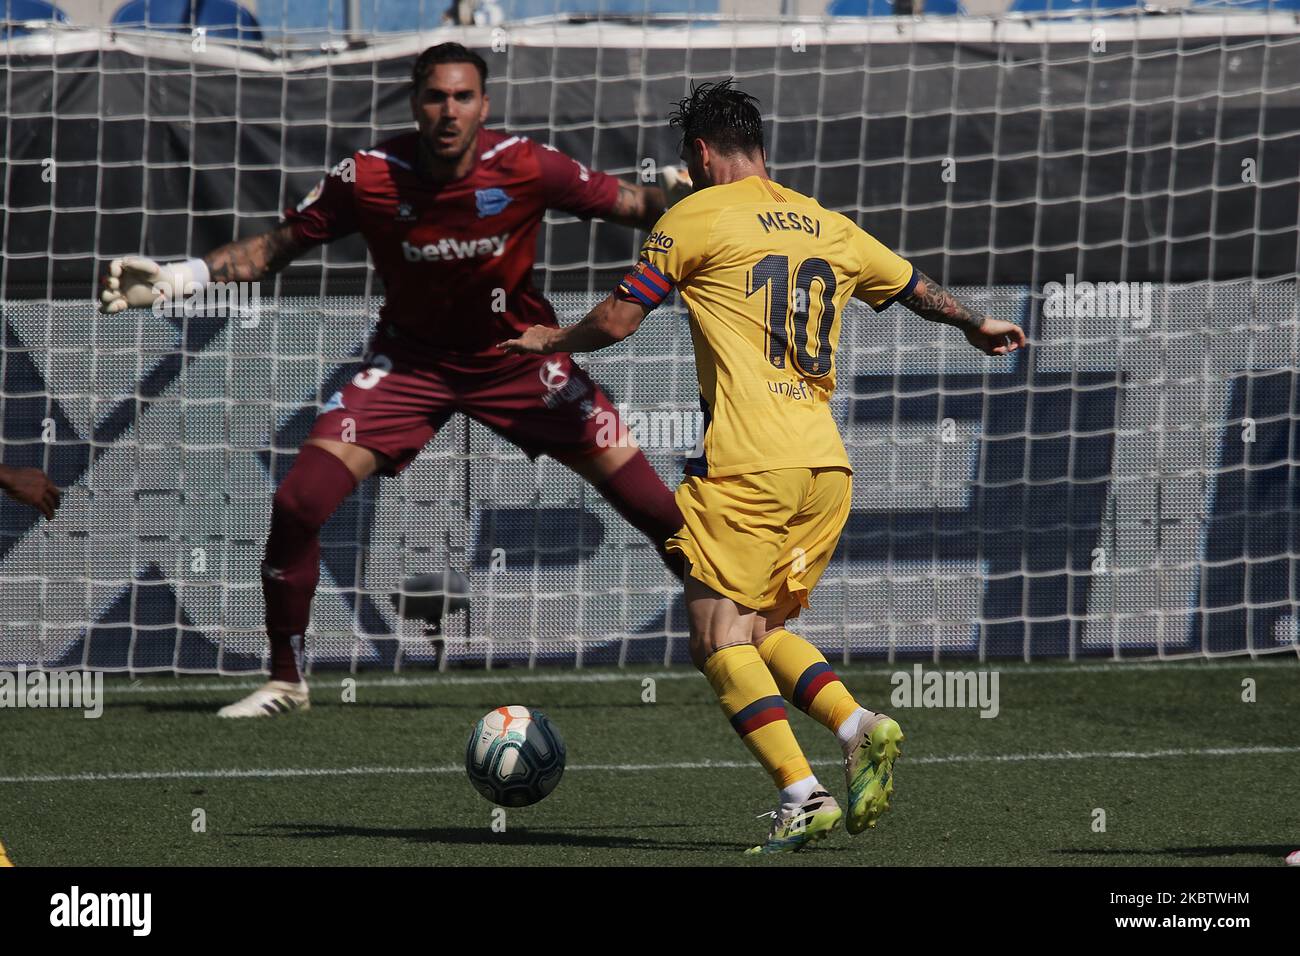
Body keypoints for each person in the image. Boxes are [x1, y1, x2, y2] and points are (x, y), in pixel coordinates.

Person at [501, 78, 1026, 853]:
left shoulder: (694, 216)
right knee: (761, 626)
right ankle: (858, 725)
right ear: (761, 150)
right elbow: (916, 287)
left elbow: (617, 319)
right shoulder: (826, 223)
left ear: (703, 153)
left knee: (717, 640)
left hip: (749, 463)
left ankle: (802, 793)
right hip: (825, 469)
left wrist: (547, 341)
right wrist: (978, 323)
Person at [99, 43, 692, 718]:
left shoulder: (527, 164)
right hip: (409, 367)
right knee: (298, 501)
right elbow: (273, 248)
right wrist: (185, 277)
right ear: (416, 104)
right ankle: (286, 680)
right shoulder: (370, 176)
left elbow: (637, 204)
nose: (449, 111)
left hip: (520, 359)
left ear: (484, 106)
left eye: (463, 97)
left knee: (656, 510)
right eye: (436, 97)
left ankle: (744, 640)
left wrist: (685, 198)